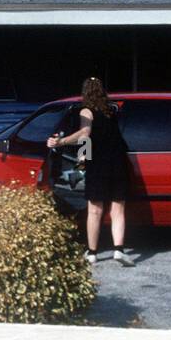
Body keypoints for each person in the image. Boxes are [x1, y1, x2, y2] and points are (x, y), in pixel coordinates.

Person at [47, 77, 135, 266]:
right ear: (102, 91)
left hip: (100, 164)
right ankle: (118, 250)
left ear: (85, 93)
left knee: (95, 210)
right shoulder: (111, 110)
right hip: (118, 162)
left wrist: (62, 143)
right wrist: (82, 155)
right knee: (118, 209)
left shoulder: (86, 111)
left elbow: (86, 135)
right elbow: (104, 135)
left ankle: (92, 253)